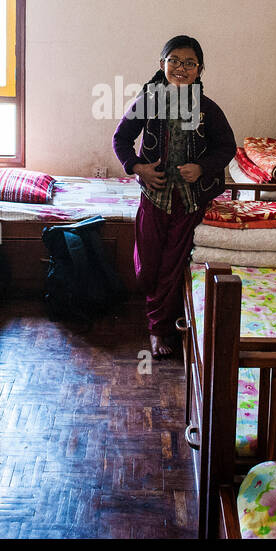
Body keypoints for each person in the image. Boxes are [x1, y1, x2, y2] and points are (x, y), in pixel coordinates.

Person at [112, 36, 236, 358]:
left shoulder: (207, 109)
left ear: (199, 69)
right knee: (148, 266)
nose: (181, 68)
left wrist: (202, 167)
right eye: (175, 61)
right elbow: (121, 139)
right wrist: (138, 167)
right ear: (162, 64)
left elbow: (227, 147)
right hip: (154, 196)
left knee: (171, 265)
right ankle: (159, 312)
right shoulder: (147, 102)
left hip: (190, 200)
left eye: (189, 63)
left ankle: (159, 328)